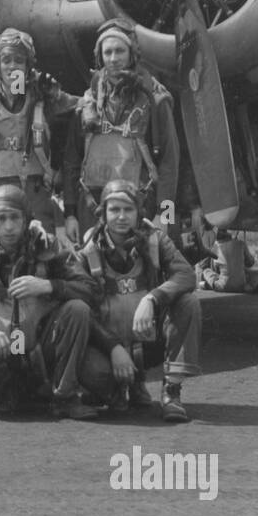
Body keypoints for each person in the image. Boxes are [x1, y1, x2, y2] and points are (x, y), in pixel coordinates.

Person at [0, 185, 100, 419]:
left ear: (26, 220)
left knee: (78, 309)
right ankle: (4, 388)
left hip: (42, 338)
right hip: (4, 341)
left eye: (15, 217)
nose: (8, 227)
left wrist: (48, 286)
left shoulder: (49, 246)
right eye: (1, 218)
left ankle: (65, 396)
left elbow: (91, 290)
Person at [76, 178, 201, 422]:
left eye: (128, 210)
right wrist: (112, 348)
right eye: (114, 210)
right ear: (103, 214)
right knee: (91, 371)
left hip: (148, 338)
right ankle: (118, 389)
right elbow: (81, 308)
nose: (121, 217)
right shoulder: (88, 252)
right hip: (109, 345)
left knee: (189, 303)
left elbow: (186, 275)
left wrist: (153, 298)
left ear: (138, 213)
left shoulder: (155, 240)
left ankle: (171, 391)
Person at [62, 18, 180, 242]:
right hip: (92, 208)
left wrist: (166, 216)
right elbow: (71, 160)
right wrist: (70, 214)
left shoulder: (155, 101)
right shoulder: (88, 102)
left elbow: (170, 162)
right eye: (107, 53)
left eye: (120, 51)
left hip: (141, 209)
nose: (113, 59)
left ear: (132, 53)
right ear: (100, 56)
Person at [0, 27, 79, 243]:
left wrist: (56, 94)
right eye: (6, 60)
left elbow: (82, 107)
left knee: (43, 246)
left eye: (19, 60)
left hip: (31, 185)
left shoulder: (44, 99)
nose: (12, 66)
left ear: (29, 66)